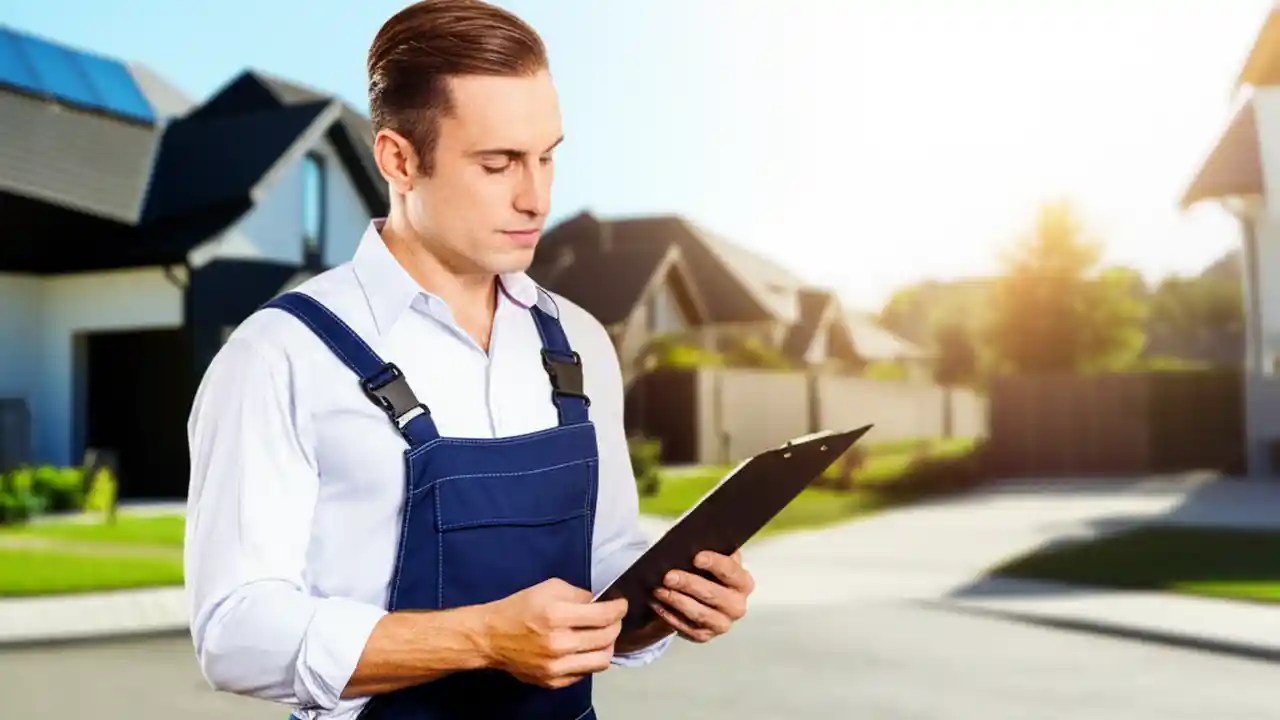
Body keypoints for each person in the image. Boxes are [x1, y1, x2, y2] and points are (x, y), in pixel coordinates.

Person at [183, 1, 755, 718]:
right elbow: (234, 633)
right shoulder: (279, 356)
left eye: (548, 156)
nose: (536, 196)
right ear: (398, 159)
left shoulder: (578, 342)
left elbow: (604, 562)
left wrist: (664, 603)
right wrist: (482, 638)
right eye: (498, 163)